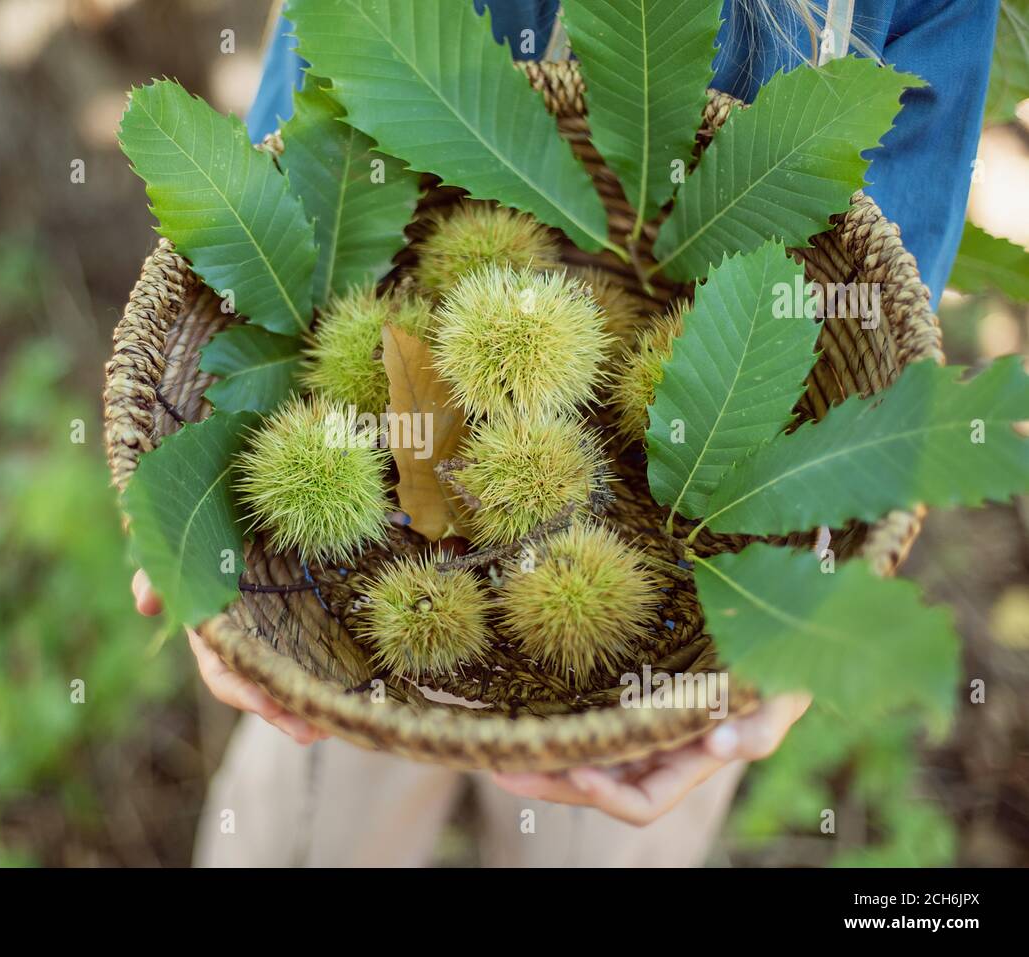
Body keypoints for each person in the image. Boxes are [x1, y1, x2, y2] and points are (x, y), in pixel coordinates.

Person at [133, 0, 999, 866]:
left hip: (656, 687)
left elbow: (873, 322)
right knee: (307, 825)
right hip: (344, 632)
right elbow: (335, 75)